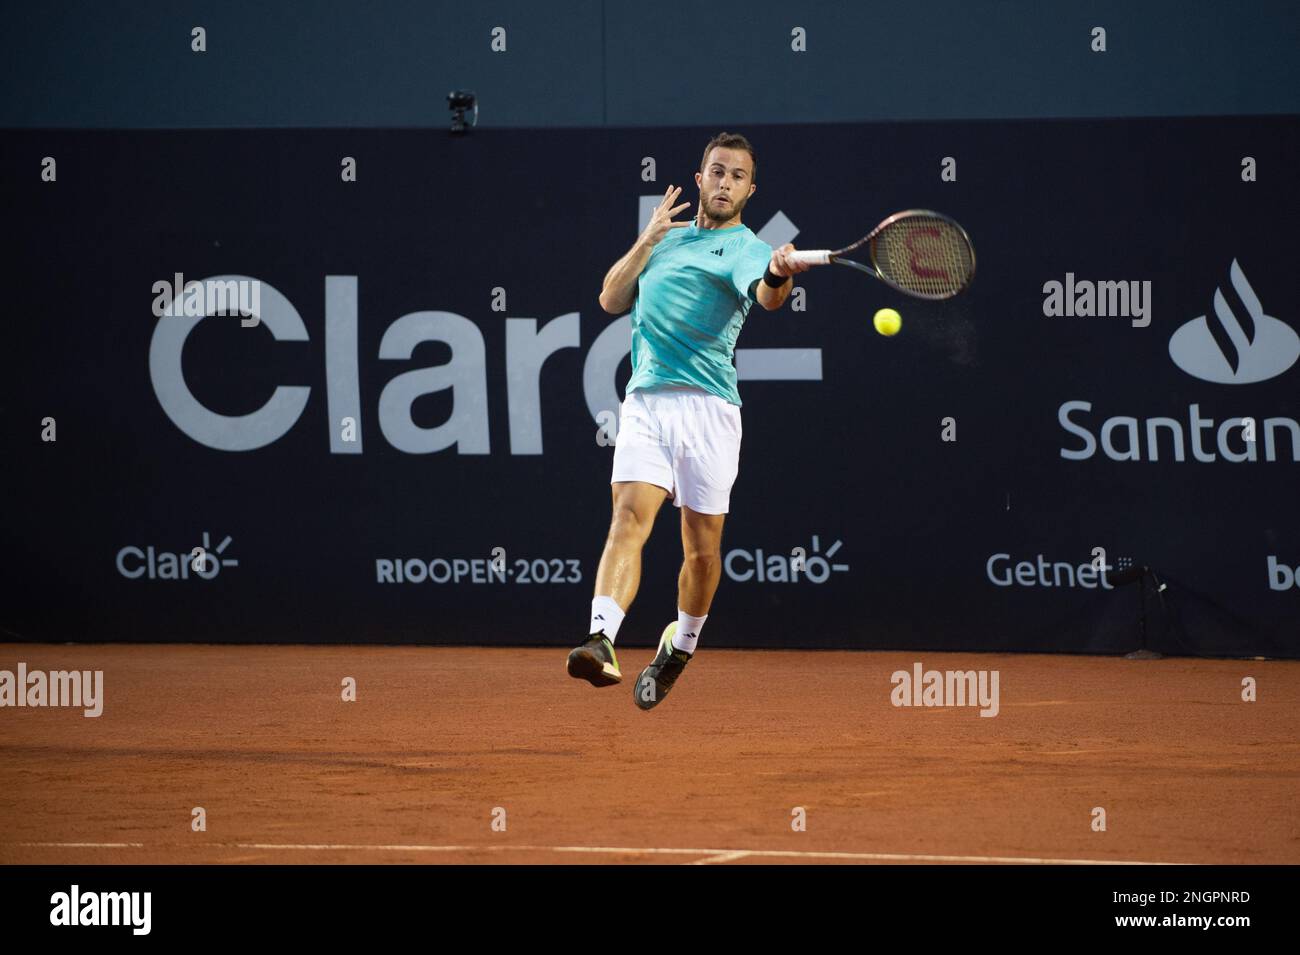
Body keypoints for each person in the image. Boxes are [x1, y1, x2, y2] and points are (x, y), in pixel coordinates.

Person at [566, 131, 811, 710]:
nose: (725, 183)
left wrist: (778, 272)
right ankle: (601, 639)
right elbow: (609, 299)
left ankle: (680, 647)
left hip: (709, 411)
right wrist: (647, 239)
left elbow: (767, 296)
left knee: (701, 551)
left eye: (737, 176)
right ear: (700, 179)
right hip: (646, 402)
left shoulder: (748, 248)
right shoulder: (664, 240)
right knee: (628, 517)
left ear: (750, 191)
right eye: (717, 172)